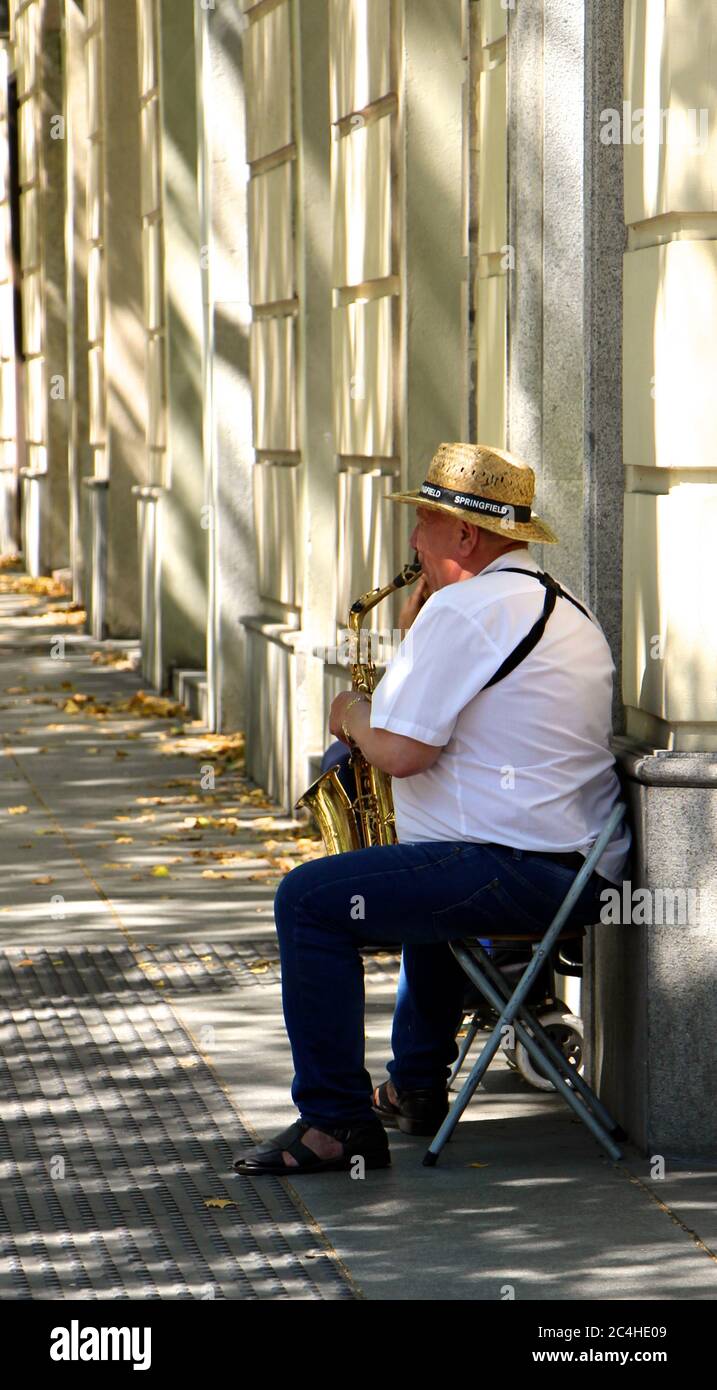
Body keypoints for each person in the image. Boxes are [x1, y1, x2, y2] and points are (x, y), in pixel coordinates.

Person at [233, 442, 631, 1176]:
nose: (412, 541)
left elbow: (400, 751)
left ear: (464, 536)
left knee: (308, 902)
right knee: (424, 868)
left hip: (521, 868)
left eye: (421, 523)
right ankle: (415, 1085)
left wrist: (348, 713)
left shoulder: (468, 608)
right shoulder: (553, 600)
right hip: (575, 866)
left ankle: (333, 1125)